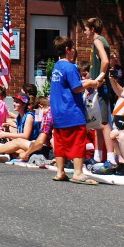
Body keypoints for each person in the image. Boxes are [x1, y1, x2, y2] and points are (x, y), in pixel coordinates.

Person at [48, 36, 101, 184]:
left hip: (58, 111)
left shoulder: (57, 66)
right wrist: (91, 83)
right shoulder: (70, 67)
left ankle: (60, 171)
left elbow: (68, 84)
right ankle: (78, 172)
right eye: (73, 48)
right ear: (67, 49)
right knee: (78, 141)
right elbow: (76, 87)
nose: (74, 51)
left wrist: (86, 81)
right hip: (72, 110)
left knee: (60, 142)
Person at [83, 18, 114, 170]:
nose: (84, 32)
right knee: (98, 124)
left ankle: (111, 159)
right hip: (99, 87)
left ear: (92, 29)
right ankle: (97, 157)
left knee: (104, 123)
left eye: (86, 29)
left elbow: (106, 61)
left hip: (102, 87)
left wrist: (100, 77)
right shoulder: (101, 41)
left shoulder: (97, 41)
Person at [0, 93, 38, 163]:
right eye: (14, 101)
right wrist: (6, 130)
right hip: (23, 146)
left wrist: (6, 134)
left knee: (17, 142)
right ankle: (7, 155)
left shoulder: (29, 116)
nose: (14, 104)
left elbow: (25, 136)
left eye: (17, 102)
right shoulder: (19, 118)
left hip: (33, 145)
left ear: (24, 104)